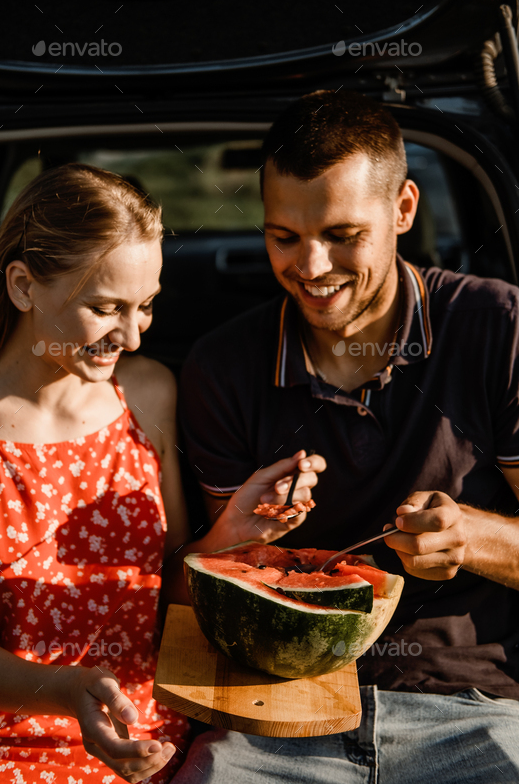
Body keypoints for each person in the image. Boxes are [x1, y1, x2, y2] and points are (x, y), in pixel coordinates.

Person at [0, 163, 324, 784]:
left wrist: (231, 534)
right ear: (24, 286)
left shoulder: (148, 393)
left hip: (147, 732)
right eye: (105, 307)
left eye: (145, 306)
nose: (134, 337)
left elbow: (167, 586)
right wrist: (68, 692)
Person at [174, 90, 519, 783]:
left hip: (475, 704)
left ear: (404, 210)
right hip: (272, 710)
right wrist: (243, 537)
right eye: (283, 236)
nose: (311, 266)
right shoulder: (221, 369)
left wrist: (471, 538)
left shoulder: (499, 327)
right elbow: (227, 589)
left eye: (342, 234)